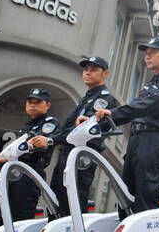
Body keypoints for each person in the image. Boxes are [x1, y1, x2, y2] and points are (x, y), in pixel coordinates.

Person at [101, 38, 159, 213]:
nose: (147, 57)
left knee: (146, 196)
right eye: (146, 54)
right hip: (136, 140)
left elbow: (149, 105)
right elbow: (136, 109)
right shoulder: (150, 84)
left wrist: (114, 113)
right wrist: (96, 122)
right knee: (125, 196)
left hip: (155, 140)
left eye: (152, 53)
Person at [48, 56, 119, 213]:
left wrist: (51, 140)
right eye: (86, 69)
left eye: (93, 70)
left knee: (72, 201)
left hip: (82, 155)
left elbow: (81, 128)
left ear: (105, 74)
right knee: (57, 199)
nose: (88, 73)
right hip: (68, 153)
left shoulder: (104, 99)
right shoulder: (87, 97)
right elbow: (69, 126)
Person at [0, 87, 62, 221]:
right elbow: (17, 148)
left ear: (47, 105)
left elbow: (35, 144)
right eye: (30, 101)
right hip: (14, 172)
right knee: (2, 215)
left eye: (37, 102)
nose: (32, 104)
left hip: (29, 173)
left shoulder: (50, 123)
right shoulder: (27, 126)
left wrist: (4, 157)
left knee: (18, 218)